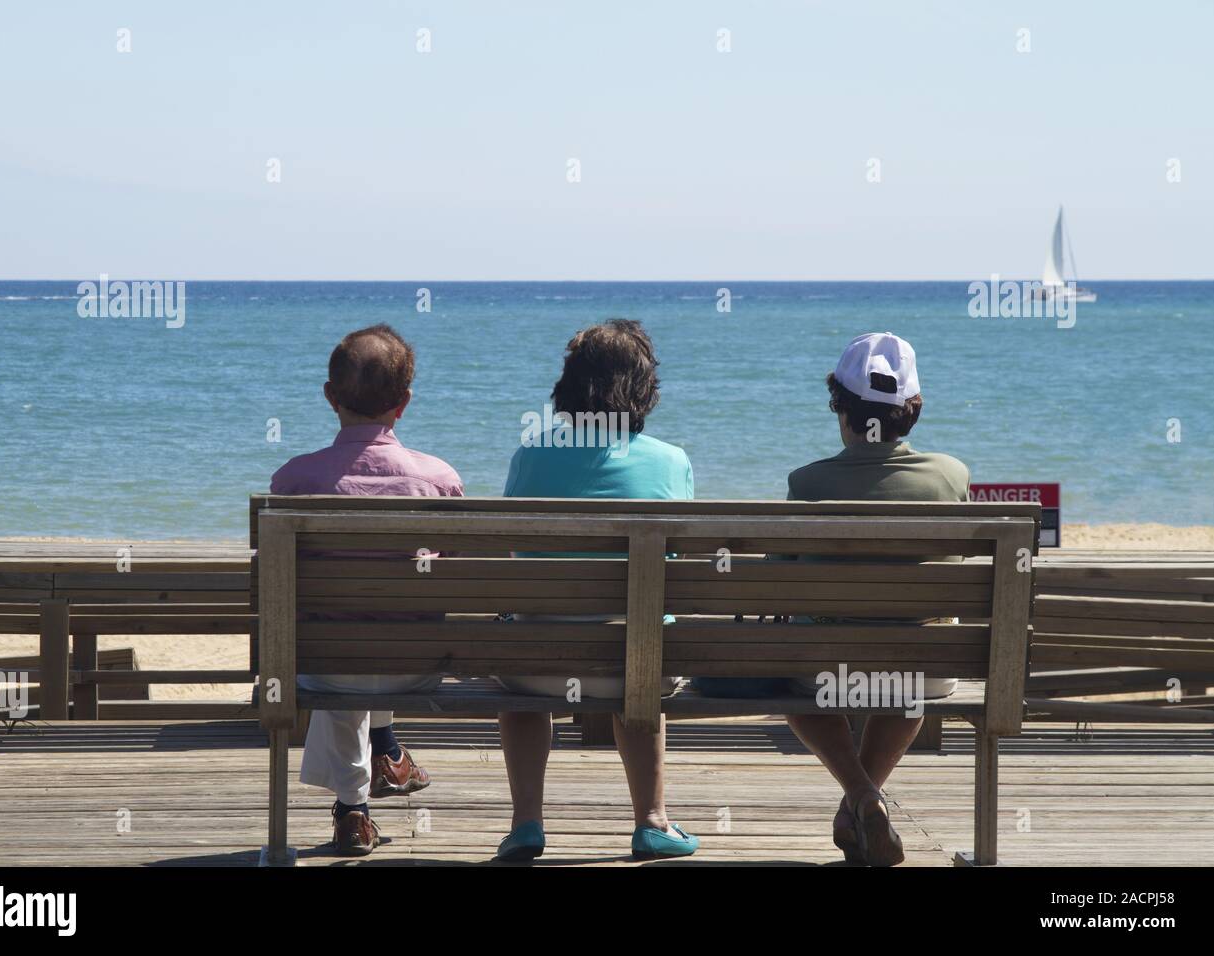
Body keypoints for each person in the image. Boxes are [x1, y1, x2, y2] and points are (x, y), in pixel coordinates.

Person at [692, 332, 970, 866]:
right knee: (911, 681)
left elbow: (778, 580)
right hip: (927, 670)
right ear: (912, 410)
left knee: (794, 686)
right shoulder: (952, 476)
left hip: (825, 671)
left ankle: (862, 797)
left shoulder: (809, 482)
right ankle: (859, 803)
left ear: (840, 408)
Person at [494, 319, 699, 862]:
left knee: (520, 673)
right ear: (644, 389)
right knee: (641, 652)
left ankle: (526, 824)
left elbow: (515, 555)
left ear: (569, 386)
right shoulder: (671, 461)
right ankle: (652, 821)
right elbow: (675, 564)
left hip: (536, 664)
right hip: (638, 663)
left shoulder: (531, 457)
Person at [269, 324, 464, 856]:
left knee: (337, 643)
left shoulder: (293, 482)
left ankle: (354, 809)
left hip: (326, 661)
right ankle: (388, 754)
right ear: (403, 403)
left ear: (330, 397)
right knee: (378, 630)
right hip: (416, 665)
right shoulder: (439, 480)